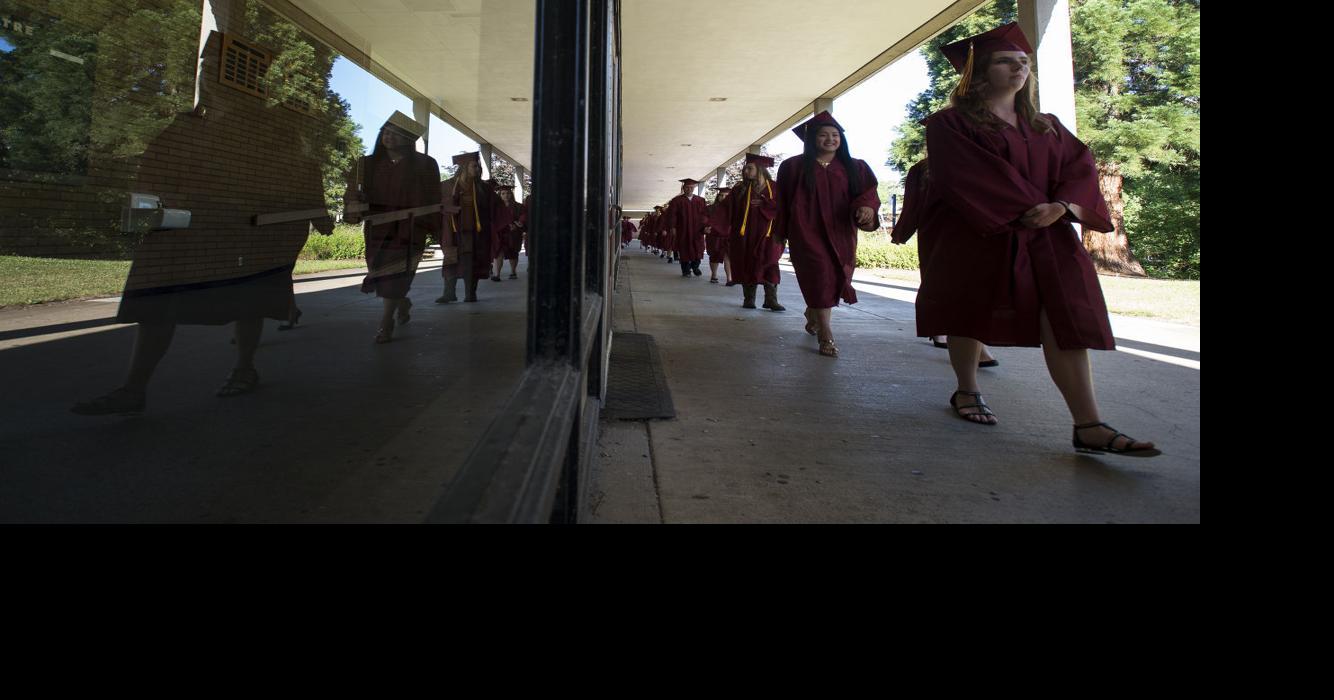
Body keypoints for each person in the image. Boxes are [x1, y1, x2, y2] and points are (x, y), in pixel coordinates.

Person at [918, 23, 1157, 456]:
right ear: (979, 73)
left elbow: (1079, 167)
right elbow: (966, 176)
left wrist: (1062, 207)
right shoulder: (949, 124)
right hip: (980, 233)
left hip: (1050, 236)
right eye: (1007, 62)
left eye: (1024, 62)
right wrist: (1036, 207)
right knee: (970, 309)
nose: (1019, 69)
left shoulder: (1046, 125)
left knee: (1066, 318)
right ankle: (967, 389)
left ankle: (1088, 423)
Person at [70, 42, 335, 414]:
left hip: (241, 231)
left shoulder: (268, 129)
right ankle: (134, 387)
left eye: (217, 66)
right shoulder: (191, 124)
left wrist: (305, 211)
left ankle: (244, 367)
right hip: (185, 230)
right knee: (157, 302)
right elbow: (157, 171)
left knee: (248, 300)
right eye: (205, 65)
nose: (206, 73)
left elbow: (296, 172)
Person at [774, 111, 880, 357]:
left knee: (835, 276)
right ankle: (826, 333)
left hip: (841, 232)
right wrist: (780, 231)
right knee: (819, 274)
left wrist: (866, 207)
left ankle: (814, 313)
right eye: (823, 135)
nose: (830, 139)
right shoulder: (793, 166)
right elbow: (783, 201)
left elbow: (869, 193)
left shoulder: (856, 167)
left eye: (835, 135)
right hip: (806, 231)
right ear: (811, 140)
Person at [890, 156, 997, 367]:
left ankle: (970, 343)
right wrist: (903, 231)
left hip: (976, 231)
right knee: (943, 285)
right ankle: (951, 336)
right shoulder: (922, 169)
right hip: (937, 232)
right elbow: (914, 203)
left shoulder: (983, 159)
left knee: (972, 288)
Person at [347, 112, 443, 344]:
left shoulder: (425, 164)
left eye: (395, 133)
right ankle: (402, 302)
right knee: (379, 272)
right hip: (378, 229)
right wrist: (355, 204)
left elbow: (433, 198)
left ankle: (385, 322)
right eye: (386, 132)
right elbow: (352, 192)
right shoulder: (366, 164)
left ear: (408, 139)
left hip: (410, 230)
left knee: (398, 276)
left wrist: (436, 229)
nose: (388, 137)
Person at [713, 154, 783, 311]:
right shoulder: (740, 189)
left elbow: (784, 208)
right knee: (748, 264)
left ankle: (771, 299)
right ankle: (749, 299)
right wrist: (715, 225)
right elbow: (726, 209)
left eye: (749, 168)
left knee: (770, 264)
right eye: (745, 168)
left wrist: (766, 203)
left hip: (769, 236)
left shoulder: (776, 188)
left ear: (760, 170)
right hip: (746, 236)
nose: (745, 171)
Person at [438, 152, 495, 304]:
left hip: (474, 234)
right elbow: (437, 206)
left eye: (479, 166)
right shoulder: (448, 185)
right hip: (453, 232)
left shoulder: (484, 188)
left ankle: (470, 293)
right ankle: (449, 293)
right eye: (474, 166)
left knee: (471, 262)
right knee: (451, 260)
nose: (478, 169)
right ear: (464, 167)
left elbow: (495, 209)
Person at [667, 179, 708, 278]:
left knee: (698, 248)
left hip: (697, 230)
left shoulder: (700, 200)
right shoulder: (676, 201)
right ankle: (686, 270)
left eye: (691, 187)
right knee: (684, 249)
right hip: (683, 229)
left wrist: (705, 226)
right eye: (687, 187)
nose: (689, 189)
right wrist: (673, 227)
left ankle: (695, 266)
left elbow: (705, 215)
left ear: (694, 188)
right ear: (683, 188)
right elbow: (672, 215)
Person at [490, 183, 525, 281]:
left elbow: (523, 216)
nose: (506, 195)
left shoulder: (519, 206)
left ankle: (513, 271)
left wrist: (518, 224)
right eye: (503, 193)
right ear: (500, 195)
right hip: (500, 233)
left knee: (513, 253)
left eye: (508, 193)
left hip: (513, 234)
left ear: (511, 194)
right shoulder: (496, 207)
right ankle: (497, 275)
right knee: (498, 253)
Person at [704, 186, 731, 283]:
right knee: (714, 256)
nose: (723, 198)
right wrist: (706, 227)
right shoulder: (710, 208)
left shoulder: (734, 209)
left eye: (726, 196)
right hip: (714, 236)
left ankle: (729, 278)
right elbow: (705, 220)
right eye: (721, 195)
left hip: (728, 236)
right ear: (718, 196)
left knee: (728, 256)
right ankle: (714, 275)